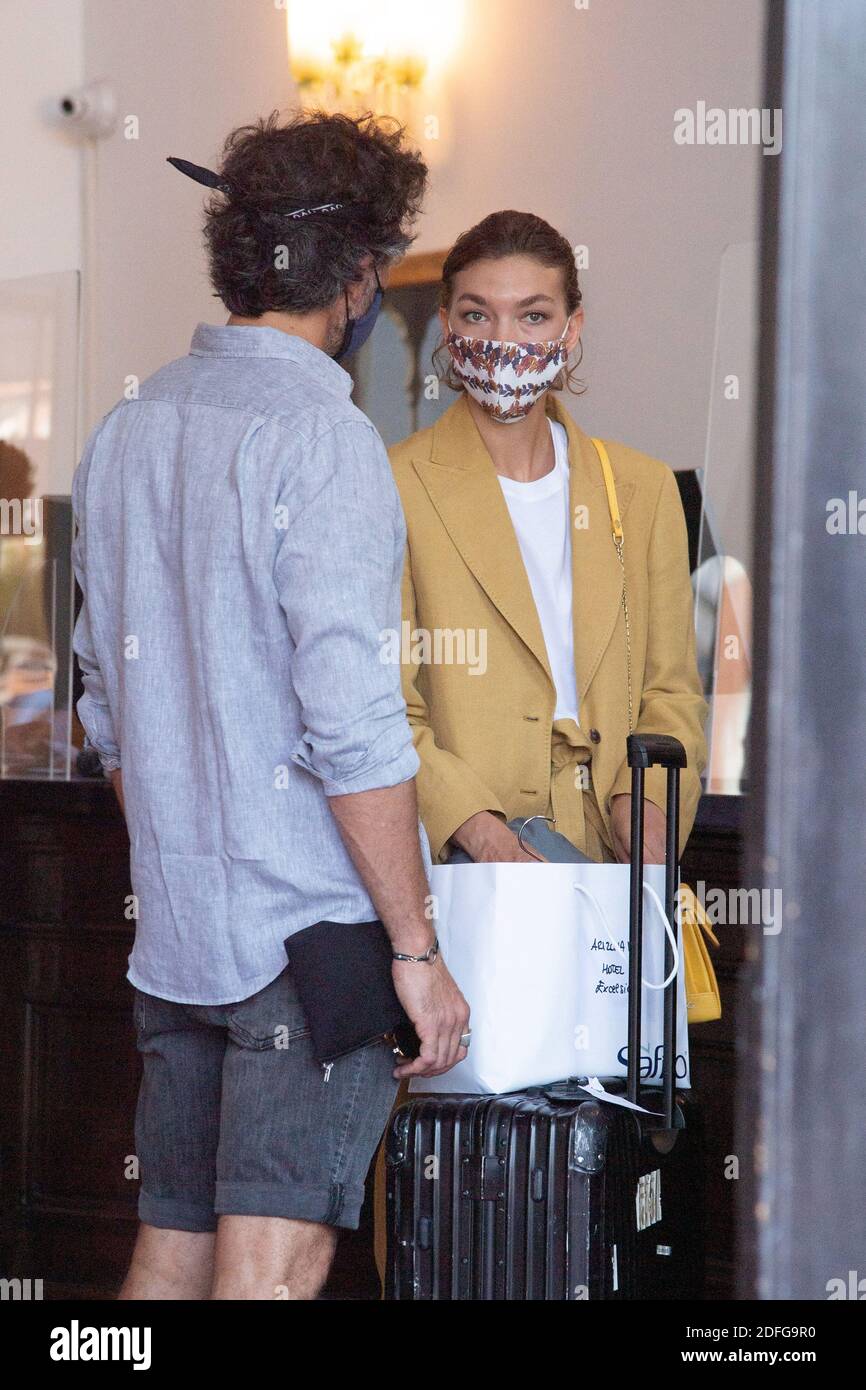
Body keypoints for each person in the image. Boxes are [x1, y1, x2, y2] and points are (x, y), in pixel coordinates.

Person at [71, 109, 469, 1302]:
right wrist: (416, 951)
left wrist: (186, 854)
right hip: (311, 945)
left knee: (169, 1257)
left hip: (179, 937)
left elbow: (107, 706)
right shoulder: (324, 439)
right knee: (273, 1278)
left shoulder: (126, 428)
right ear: (357, 280)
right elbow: (351, 728)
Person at [372, 211, 709, 1280]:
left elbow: (669, 685)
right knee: (458, 1157)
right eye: (473, 315)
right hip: (464, 872)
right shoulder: (392, 479)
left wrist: (650, 818)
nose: (501, 339)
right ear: (442, 335)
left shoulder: (641, 489)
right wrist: (475, 827)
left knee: (607, 1155)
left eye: (530, 315)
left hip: (609, 868)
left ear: (571, 331)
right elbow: (385, 701)